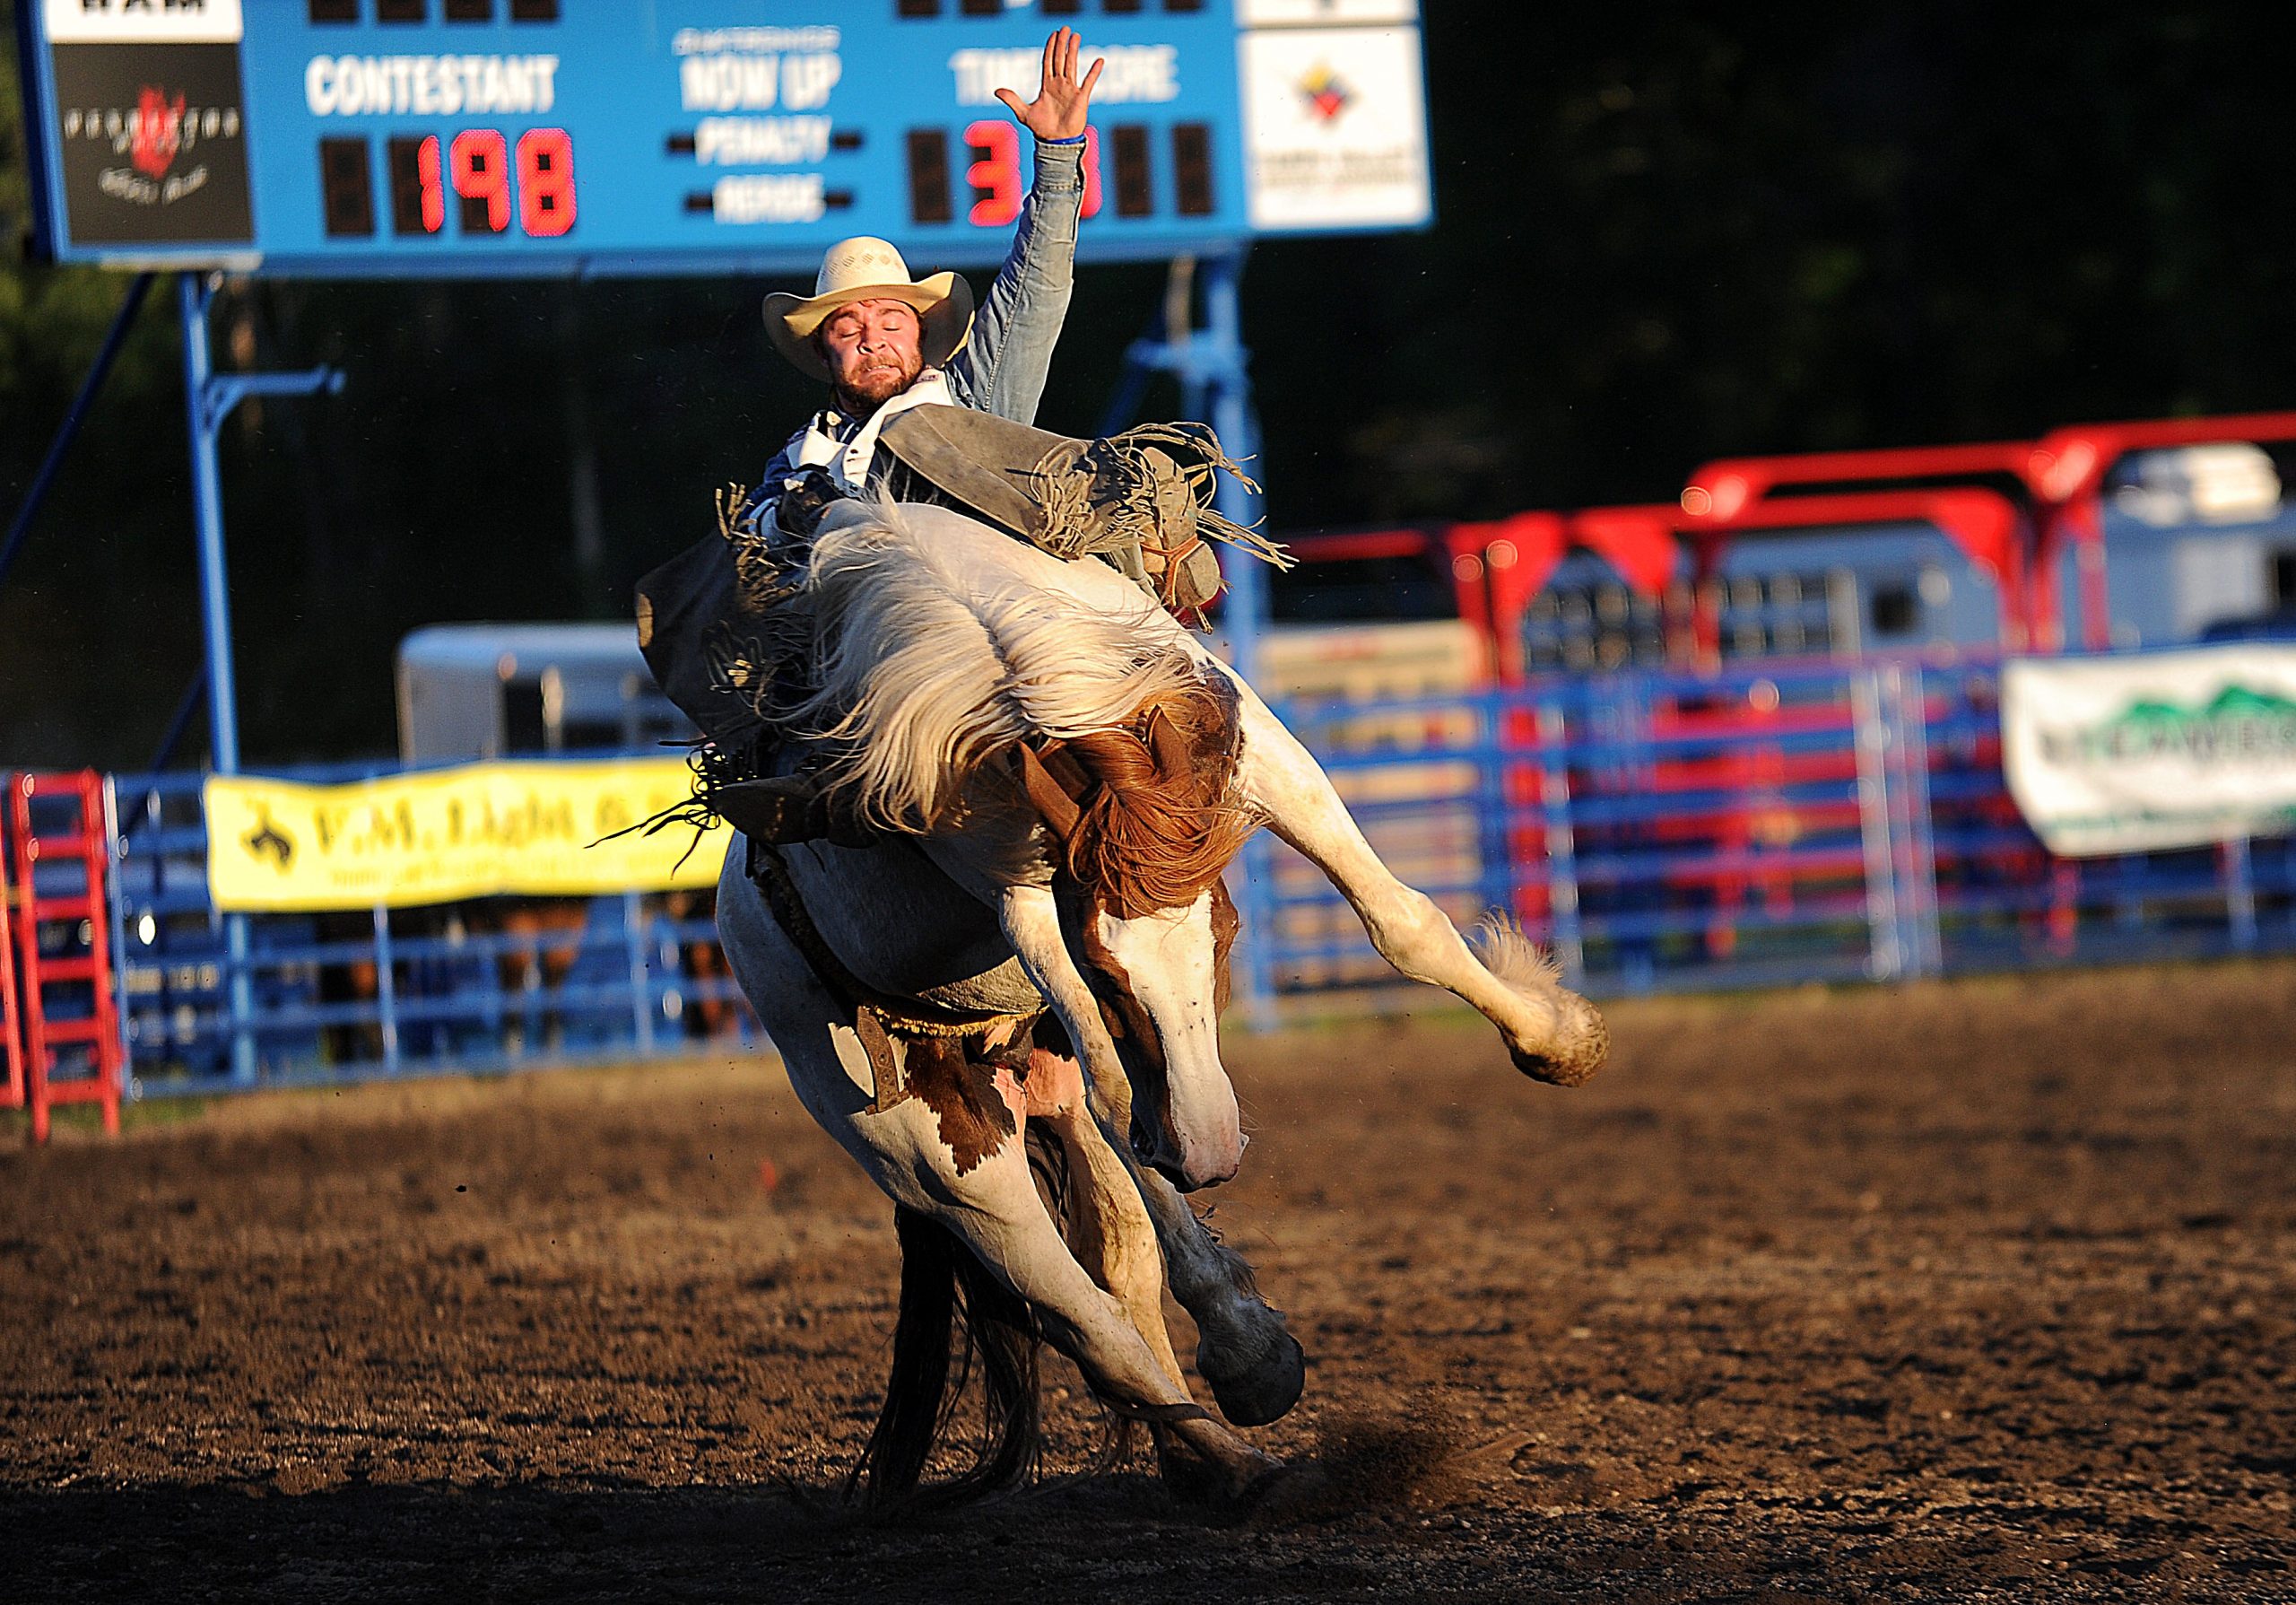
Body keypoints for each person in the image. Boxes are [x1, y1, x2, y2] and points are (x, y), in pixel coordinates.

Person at [745, 27, 1102, 537]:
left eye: (892, 323)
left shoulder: (972, 404)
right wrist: (786, 516)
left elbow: (1034, 292)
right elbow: (746, 538)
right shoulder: (801, 457)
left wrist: (1059, 153)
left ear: (922, 336)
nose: (873, 341)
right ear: (823, 352)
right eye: (848, 329)